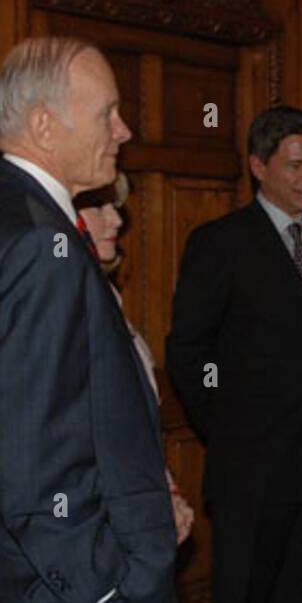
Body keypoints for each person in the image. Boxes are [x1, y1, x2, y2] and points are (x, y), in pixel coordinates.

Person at [0, 36, 179, 603]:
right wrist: (108, 584)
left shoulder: (3, 214)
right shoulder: (34, 241)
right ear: (45, 126)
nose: (124, 129)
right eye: (108, 112)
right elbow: (37, 457)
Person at [166, 105, 302, 603]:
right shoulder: (220, 243)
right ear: (258, 166)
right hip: (253, 477)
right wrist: (229, 431)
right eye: (295, 165)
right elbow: (188, 353)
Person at [76, 175, 194, 545]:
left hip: (135, 513)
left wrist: (168, 493)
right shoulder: (61, 303)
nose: (117, 220)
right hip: (96, 525)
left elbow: (134, 428)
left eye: (115, 206)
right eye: (100, 207)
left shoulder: (107, 296)